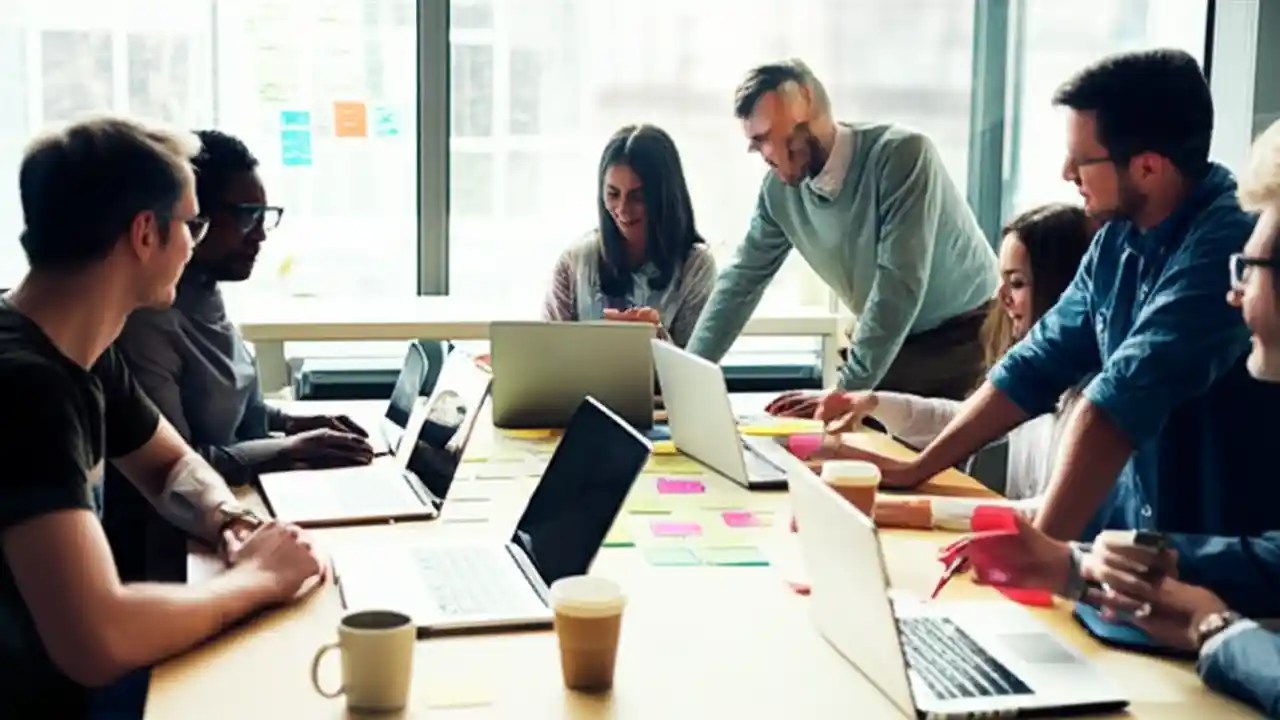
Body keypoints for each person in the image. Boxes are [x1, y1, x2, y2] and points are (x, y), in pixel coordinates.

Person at [843, 48, 1276, 544]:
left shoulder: (1228, 242)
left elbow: (1118, 399)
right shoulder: (1116, 236)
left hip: (1215, 560)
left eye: (1082, 159)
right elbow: (1035, 362)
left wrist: (1040, 558)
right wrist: (917, 467)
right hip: (1124, 547)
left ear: (1149, 168)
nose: (1066, 172)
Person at [947, 119, 1280, 718]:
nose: (1233, 295)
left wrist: (1216, 628)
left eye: (1249, 268)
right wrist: (1080, 564)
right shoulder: (1114, 248)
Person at [0, 117, 323, 716]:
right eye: (192, 225)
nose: (195, 245)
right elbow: (97, 639)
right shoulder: (26, 386)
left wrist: (227, 520)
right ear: (146, 234)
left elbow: (169, 465)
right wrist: (259, 580)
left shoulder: (78, 347)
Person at [107, 130, 372, 581]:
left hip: (230, 506)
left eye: (266, 215)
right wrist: (288, 449)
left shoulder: (206, 293)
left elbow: (224, 418)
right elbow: (177, 466)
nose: (261, 235)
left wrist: (289, 423)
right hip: (171, 552)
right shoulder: (144, 322)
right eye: (248, 216)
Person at [685, 58, 998, 409]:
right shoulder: (778, 193)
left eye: (763, 136)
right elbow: (740, 282)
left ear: (805, 100)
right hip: (893, 347)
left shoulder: (903, 156)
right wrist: (688, 377)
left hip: (968, 341)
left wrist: (843, 393)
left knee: (918, 458)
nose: (756, 150)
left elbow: (899, 285)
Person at [815, 203, 1094, 529]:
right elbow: (964, 420)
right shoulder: (1034, 373)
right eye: (1002, 281)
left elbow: (1050, 514)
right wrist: (873, 403)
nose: (1001, 297)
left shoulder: (1090, 397)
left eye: (1017, 283)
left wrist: (913, 511)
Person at [543, 124, 716, 347]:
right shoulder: (575, 262)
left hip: (661, 383)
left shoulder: (696, 267)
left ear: (664, 197)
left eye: (638, 197)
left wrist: (656, 336)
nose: (623, 210)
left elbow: (694, 366)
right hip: (579, 383)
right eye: (613, 194)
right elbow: (549, 351)